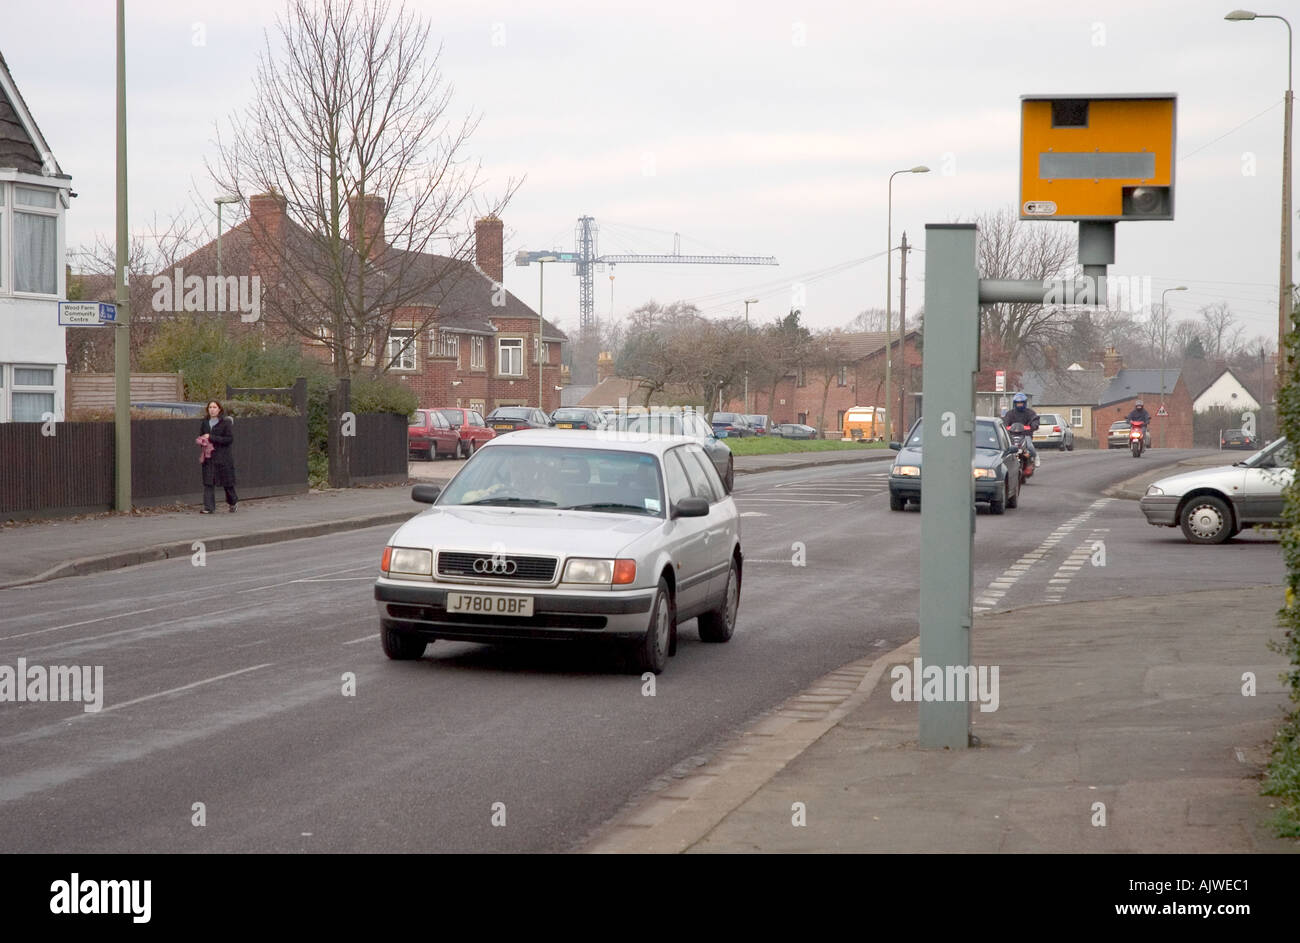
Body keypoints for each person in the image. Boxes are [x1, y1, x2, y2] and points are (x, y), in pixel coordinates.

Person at [198, 400, 238, 513]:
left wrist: (211, 437)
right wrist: (202, 440)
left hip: (223, 458)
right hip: (208, 457)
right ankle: (209, 507)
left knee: (227, 483)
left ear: (219, 409)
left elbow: (229, 439)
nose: (212, 409)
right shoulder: (205, 422)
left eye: (214, 407)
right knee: (208, 482)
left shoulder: (225, 423)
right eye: (210, 407)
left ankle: (233, 501)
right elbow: (201, 435)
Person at [1002, 393, 1041, 466]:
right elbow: (1005, 422)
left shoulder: (1030, 413)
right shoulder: (1010, 413)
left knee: (1030, 447)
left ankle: (1035, 456)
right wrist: (1006, 426)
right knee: (1006, 449)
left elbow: (1035, 420)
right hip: (1012, 436)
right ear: (1015, 403)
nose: (1019, 405)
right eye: (1018, 403)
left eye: (1021, 403)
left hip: (1026, 435)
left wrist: (1033, 425)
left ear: (1025, 403)